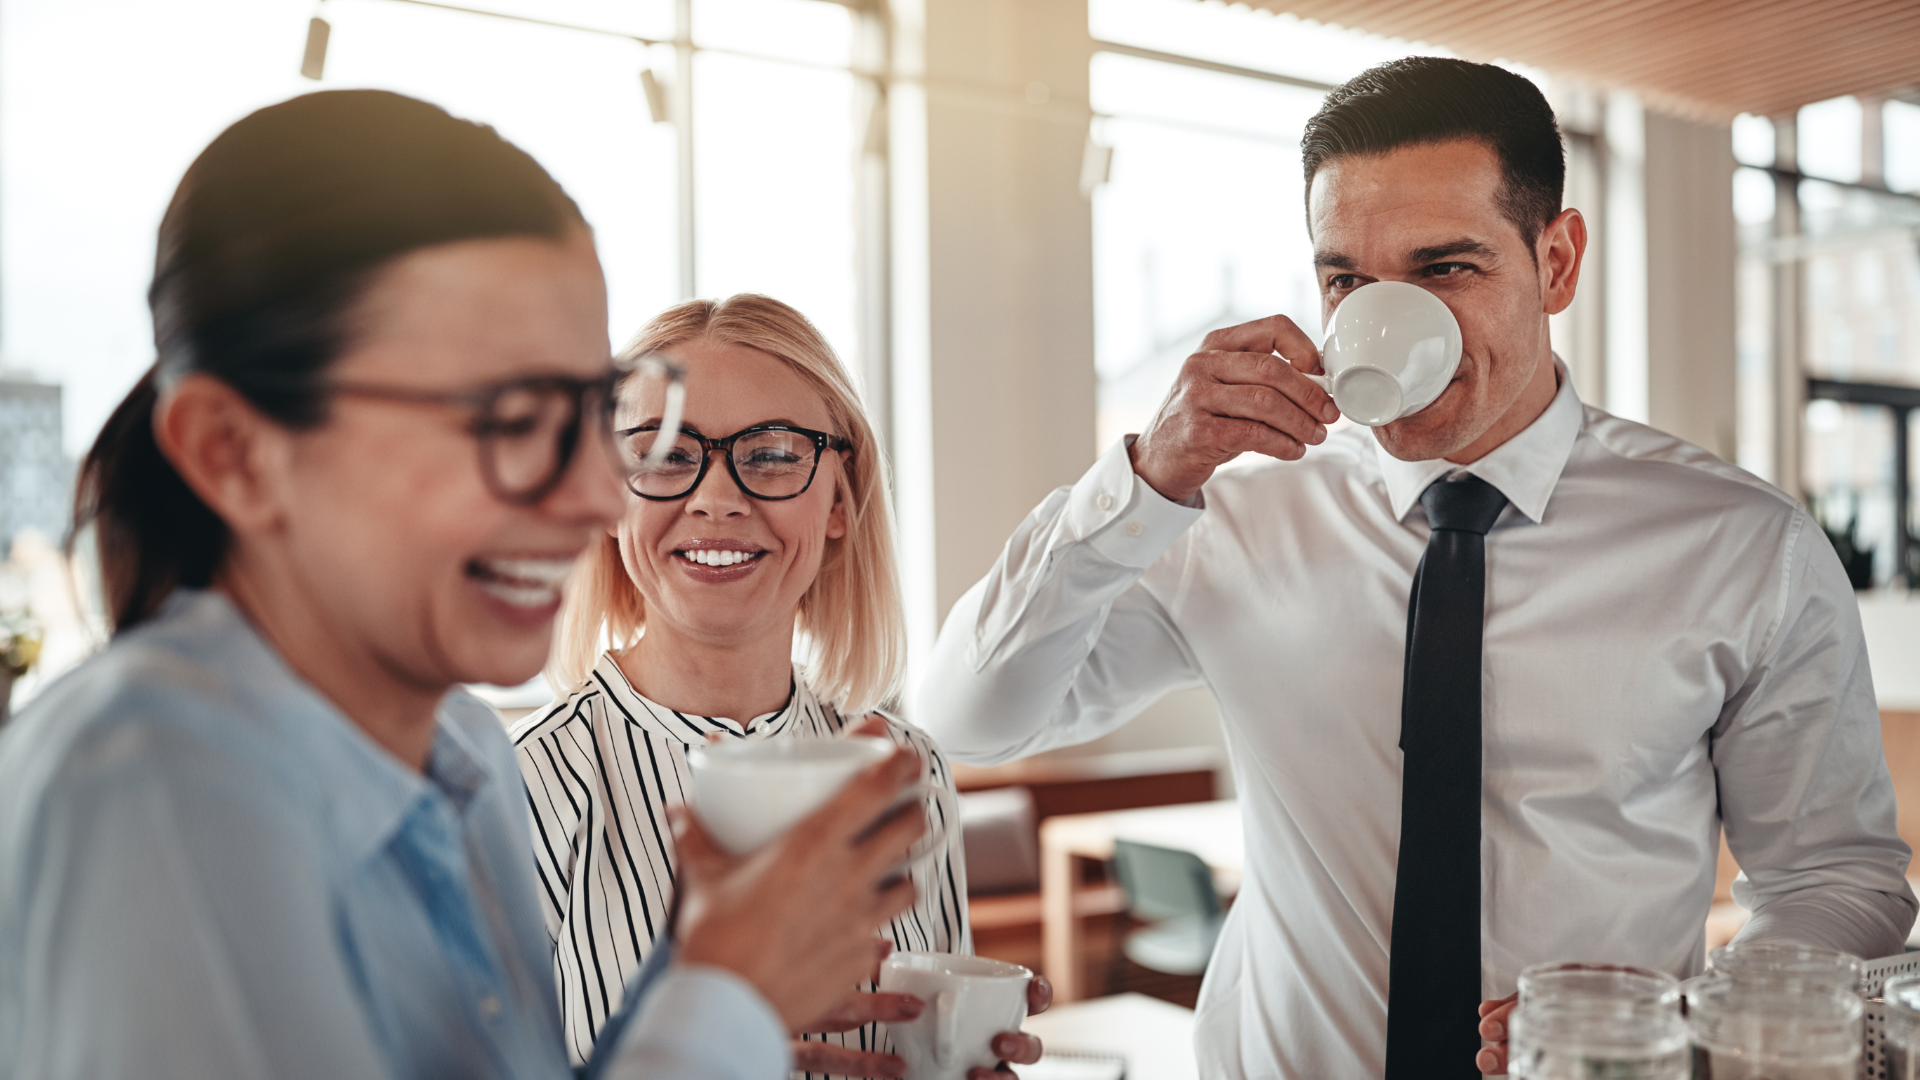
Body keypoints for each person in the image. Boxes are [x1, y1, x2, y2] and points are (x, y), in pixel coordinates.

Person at [915, 57, 1915, 1080]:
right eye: (1347, 278)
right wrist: (1139, 481)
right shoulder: (1229, 513)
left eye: (1446, 269)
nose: (1388, 318)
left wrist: (1675, 1023)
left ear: (1557, 263)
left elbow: (1837, 879)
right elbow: (967, 718)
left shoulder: (1741, 544)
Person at [0, 90, 927, 1080]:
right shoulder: (149, 792)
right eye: (509, 419)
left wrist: (694, 976)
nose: (592, 495)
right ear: (236, 453)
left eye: (590, 412)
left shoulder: (466, 756)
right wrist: (724, 1000)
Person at [514, 294, 1048, 1080]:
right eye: (663, 454)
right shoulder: (524, 786)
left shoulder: (910, 770)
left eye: (770, 454)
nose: (717, 497)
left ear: (840, 499)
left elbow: (928, 1045)